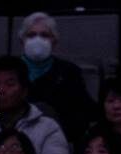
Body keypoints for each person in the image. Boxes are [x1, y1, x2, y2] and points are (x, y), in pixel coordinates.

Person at [15, 12, 97, 141]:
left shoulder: (69, 72)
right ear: (22, 41)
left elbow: (84, 114)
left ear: (54, 41)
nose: (37, 40)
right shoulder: (5, 71)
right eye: (31, 35)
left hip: (58, 141)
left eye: (44, 35)